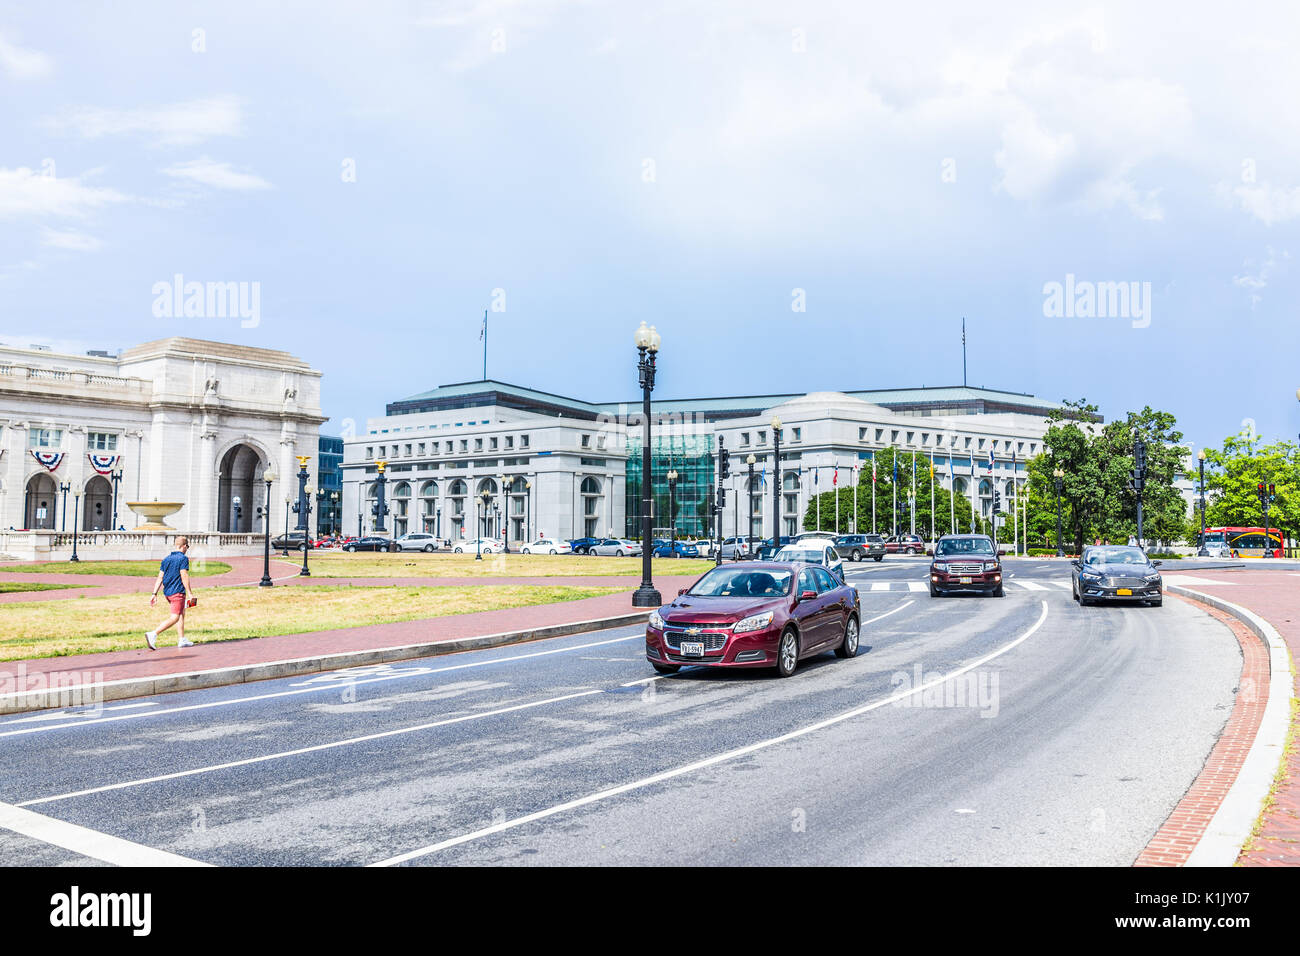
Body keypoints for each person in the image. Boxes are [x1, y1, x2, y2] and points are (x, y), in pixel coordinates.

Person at [145, 535, 195, 650]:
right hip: (177, 592)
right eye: (187, 546)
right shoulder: (183, 558)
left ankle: (182, 639)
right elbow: (184, 576)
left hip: (167, 592)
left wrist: (154, 594)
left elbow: (160, 577)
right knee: (175, 617)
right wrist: (190, 593)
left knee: (181, 613)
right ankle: (153, 634)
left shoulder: (166, 559)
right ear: (183, 546)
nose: (187, 549)